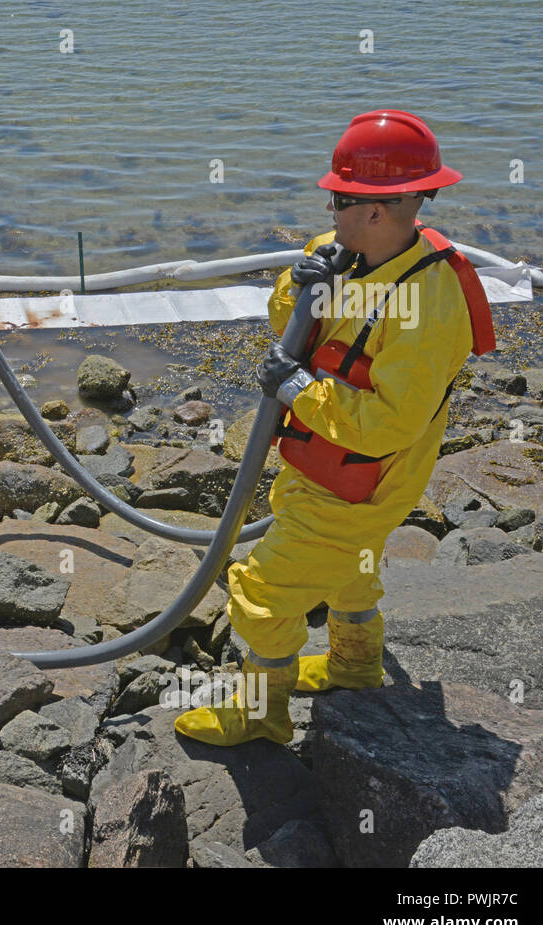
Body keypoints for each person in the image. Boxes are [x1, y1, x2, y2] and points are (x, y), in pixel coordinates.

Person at [175, 109, 495, 746]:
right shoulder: (336, 255)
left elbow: (386, 424)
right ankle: (356, 664)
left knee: (264, 590)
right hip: (322, 461)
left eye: (339, 198)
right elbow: (289, 329)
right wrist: (298, 290)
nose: (329, 208)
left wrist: (299, 391)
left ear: (377, 210)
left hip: (369, 475)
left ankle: (263, 713)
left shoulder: (430, 304)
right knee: (349, 559)